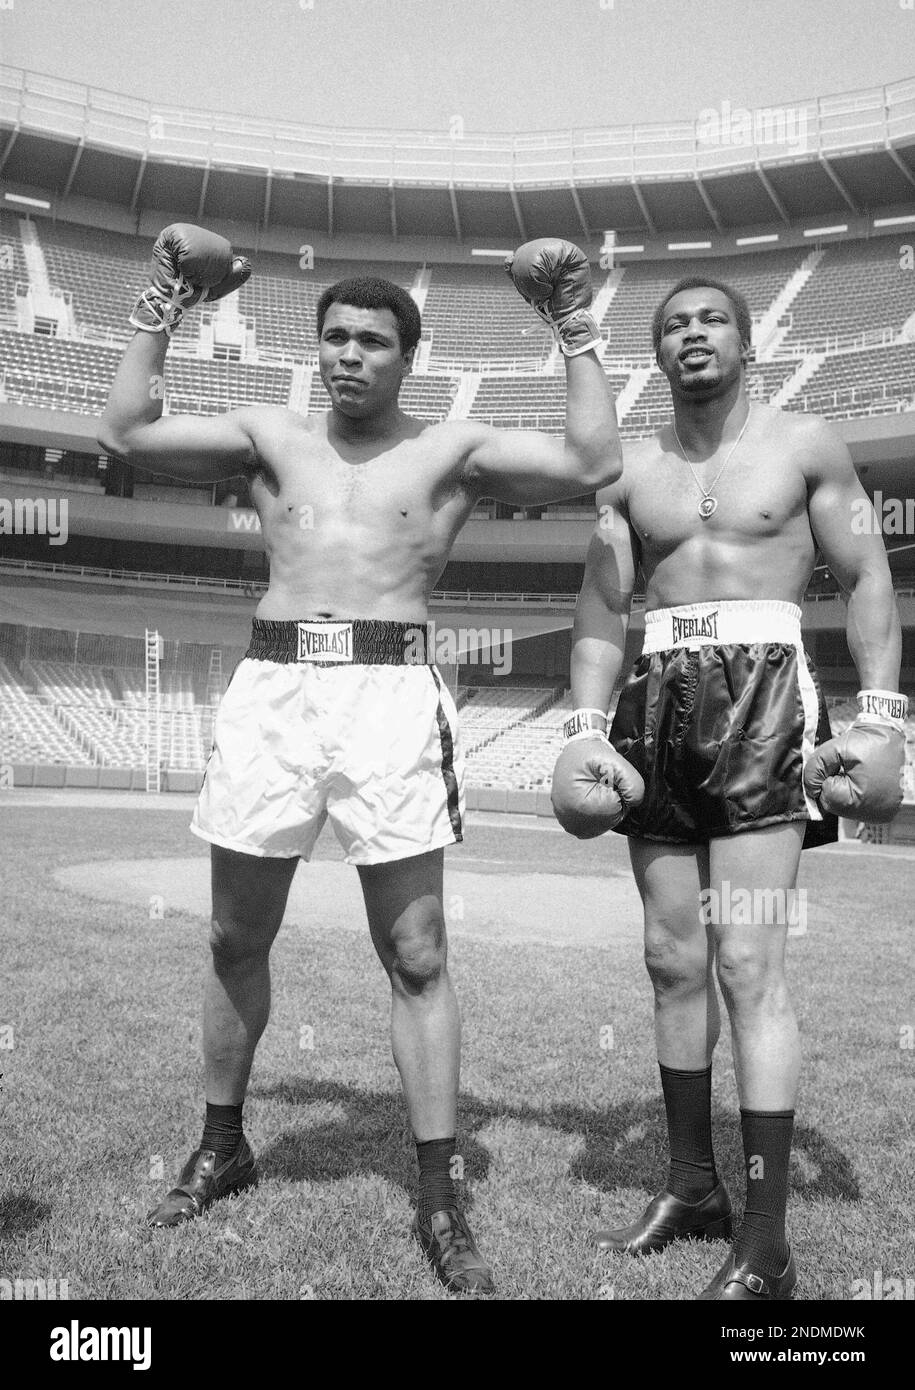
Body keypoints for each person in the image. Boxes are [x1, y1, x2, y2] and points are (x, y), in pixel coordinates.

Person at [98, 225, 622, 1295]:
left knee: (418, 950)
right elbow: (126, 430)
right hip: (275, 686)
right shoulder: (266, 436)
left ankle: (437, 1193)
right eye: (334, 337)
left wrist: (571, 328)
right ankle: (222, 1143)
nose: (348, 355)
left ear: (405, 357)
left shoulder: (452, 451)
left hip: (389, 693)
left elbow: (594, 459)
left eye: (373, 341)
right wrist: (166, 302)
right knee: (234, 932)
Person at [551, 275, 906, 1300]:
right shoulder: (627, 469)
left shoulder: (805, 446)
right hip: (656, 699)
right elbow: (598, 604)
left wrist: (883, 718)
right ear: (655, 354)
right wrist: (582, 728)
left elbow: (870, 578)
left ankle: (766, 1239)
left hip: (763, 700)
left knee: (748, 962)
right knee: (672, 955)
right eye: (671, 326)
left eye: (710, 321)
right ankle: (690, 1183)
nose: (690, 336)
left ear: (748, 344)